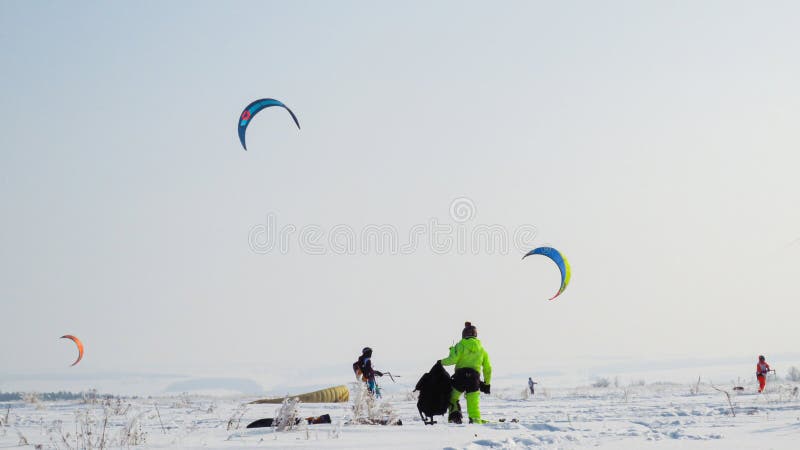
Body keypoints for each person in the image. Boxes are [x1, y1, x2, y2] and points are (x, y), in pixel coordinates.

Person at [440, 321, 492, 424]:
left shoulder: (460, 345)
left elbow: (452, 360)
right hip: (474, 379)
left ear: (463, 334)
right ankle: (475, 420)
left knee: (452, 398)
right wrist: (487, 383)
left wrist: (441, 362)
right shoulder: (482, 350)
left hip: (460, 377)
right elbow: (488, 369)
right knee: (473, 402)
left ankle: (455, 417)